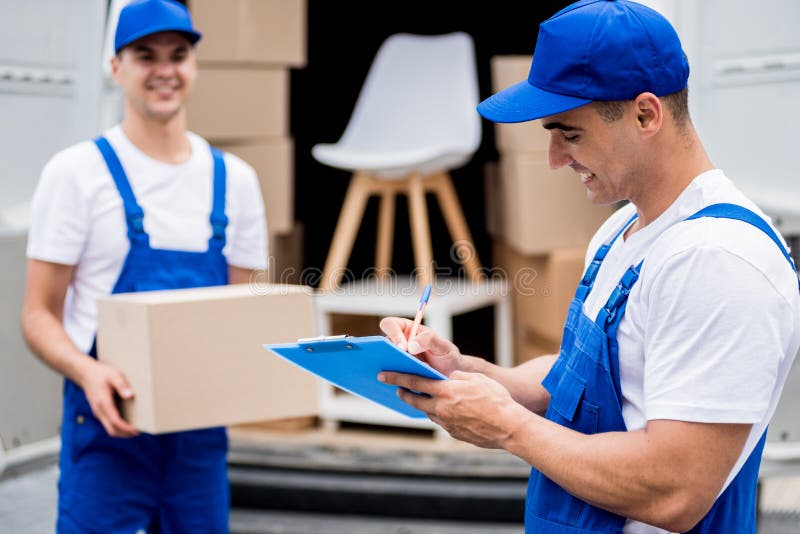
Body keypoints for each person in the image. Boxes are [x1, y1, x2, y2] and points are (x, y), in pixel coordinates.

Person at [378, 1, 800, 532]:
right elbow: (578, 382)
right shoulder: (623, 231)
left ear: (646, 114)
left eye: (570, 134)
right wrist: (467, 373)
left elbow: (675, 490)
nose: (555, 158)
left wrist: (507, 427)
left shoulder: (718, 262)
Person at [20, 0, 267, 532]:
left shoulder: (237, 181)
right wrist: (88, 371)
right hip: (107, 430)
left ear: (194, 65)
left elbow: (243, 318)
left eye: (178, 54)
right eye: (144, 54)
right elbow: (38, 315)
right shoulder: (76, 174)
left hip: (198, 436)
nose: (164, 70)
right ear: (115, 66)